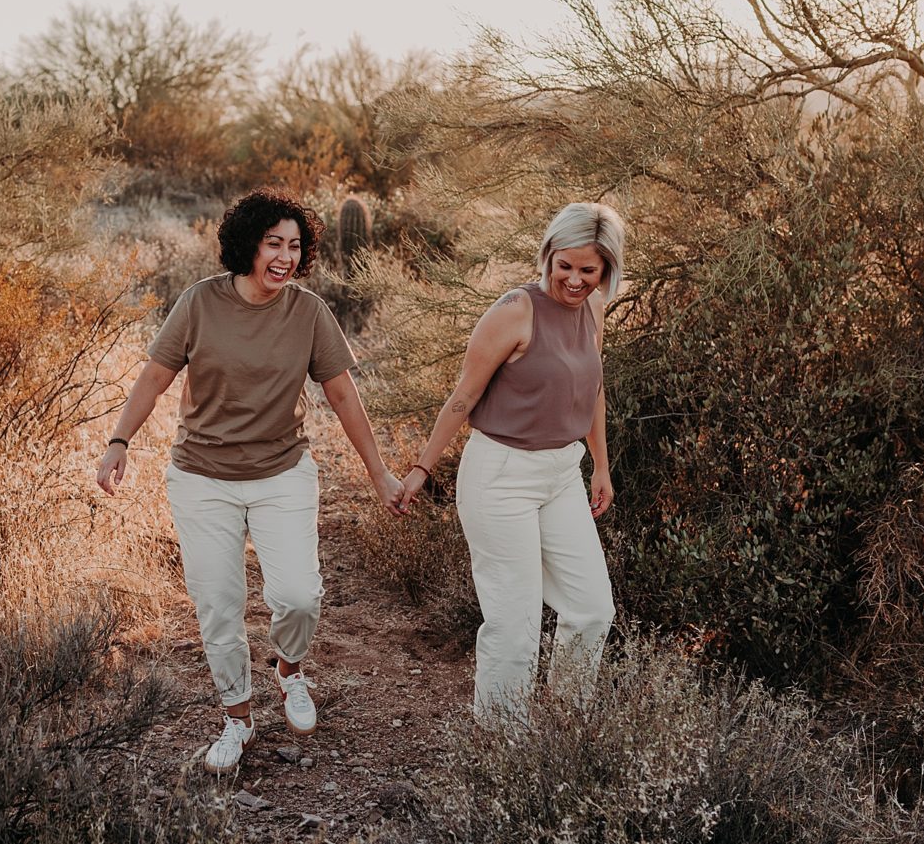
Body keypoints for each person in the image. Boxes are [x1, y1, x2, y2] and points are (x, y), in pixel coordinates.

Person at [97, 187, 402, 773]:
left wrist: (380, 473)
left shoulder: (308, 312)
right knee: (219, 605)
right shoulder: (199, 303)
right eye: (273, 244)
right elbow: (154, 377)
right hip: (202, 477)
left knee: (299, 597)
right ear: (248, 246)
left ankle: (289, 669)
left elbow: (343, 396)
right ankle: (237, 718)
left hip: (281, 472)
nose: (285, 257)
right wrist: (119, 441)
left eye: (295, 246)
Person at [396, 202, 624, 723]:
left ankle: (564, 725)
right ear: (548, 255)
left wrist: (601, 466)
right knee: (515, 626)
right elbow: (464, 396)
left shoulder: (593, 309)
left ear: (606, 270)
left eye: (588, 270)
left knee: (592, 609)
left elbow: (593, 389)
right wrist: (422, 469)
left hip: (562, 474)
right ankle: (500, 744)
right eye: (564, 266)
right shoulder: (516, 310)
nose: (574, 280)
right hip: (500, 475)